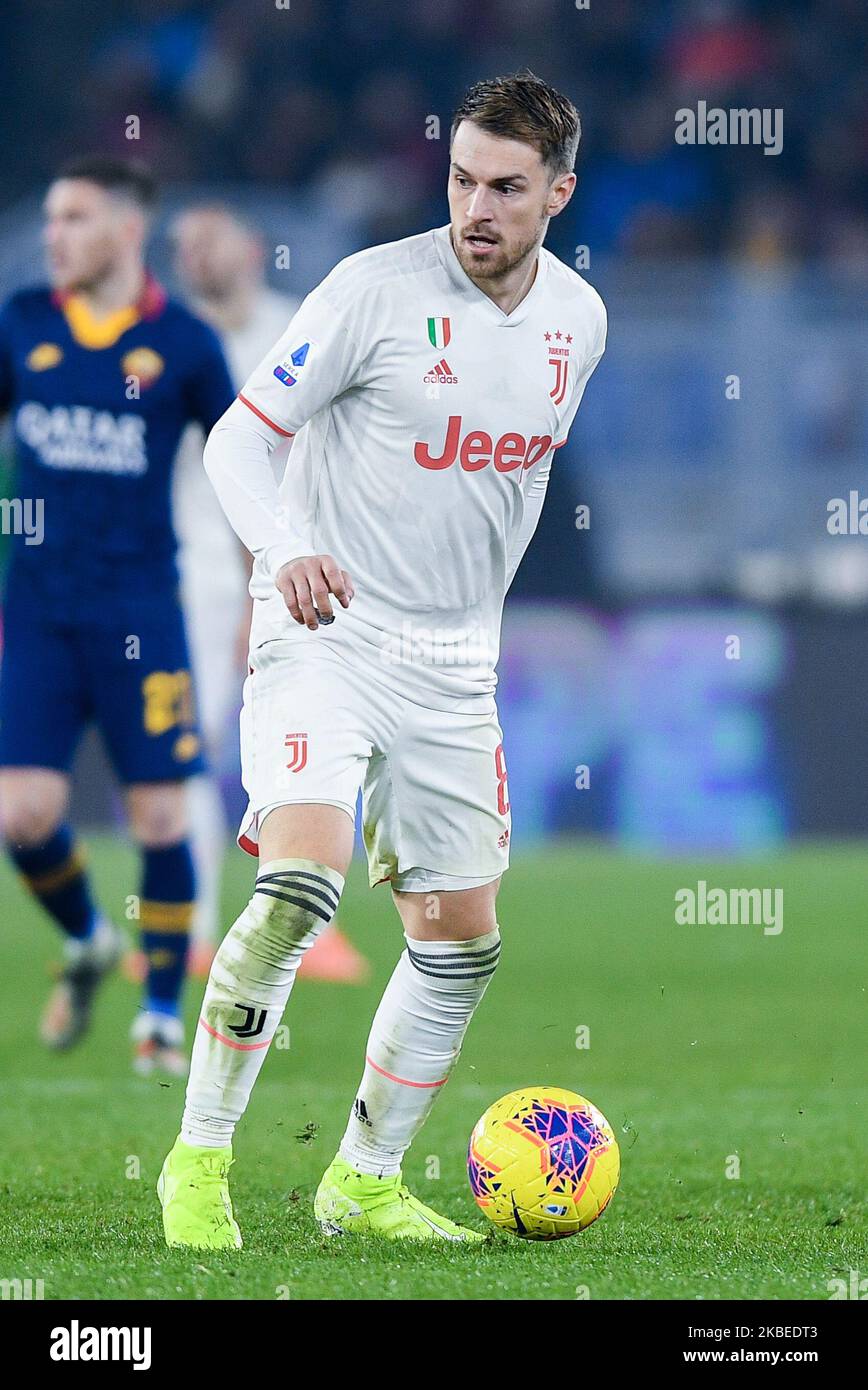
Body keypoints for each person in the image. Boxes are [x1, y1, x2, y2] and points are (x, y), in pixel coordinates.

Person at [158, 71, 606, 1246]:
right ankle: (197, 1162)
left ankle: (360, 1178)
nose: (477, 207)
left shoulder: (578, 324)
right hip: (324, 632)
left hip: (455, 665)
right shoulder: (371, 290)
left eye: (507, 187)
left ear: (558, 192)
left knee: (459, 939)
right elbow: (239, 446)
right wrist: (291, 547)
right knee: (299, 885)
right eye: (461, 178)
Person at [0, 157, 235, 1073]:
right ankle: (91, 939)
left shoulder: (183, 344)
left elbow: (243, 462)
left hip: (144, 614)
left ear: (128, 231)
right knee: (22, 814)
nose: (52, 234)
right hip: (42, 618)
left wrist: (268, 583)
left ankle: (162, 1019)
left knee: (163, 819)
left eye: (73, 217)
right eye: (51, 217)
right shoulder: (23, 324)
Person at [169, 205, 370, 985]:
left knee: (309, 744)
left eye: (207, 238)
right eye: (182, 243)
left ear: (252, 248)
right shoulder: (169, 344)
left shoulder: (302, 327)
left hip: (299, 572)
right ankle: (192, 928)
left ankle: (307, 924)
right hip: (192, 579)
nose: (193, 253)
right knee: (185, 748)